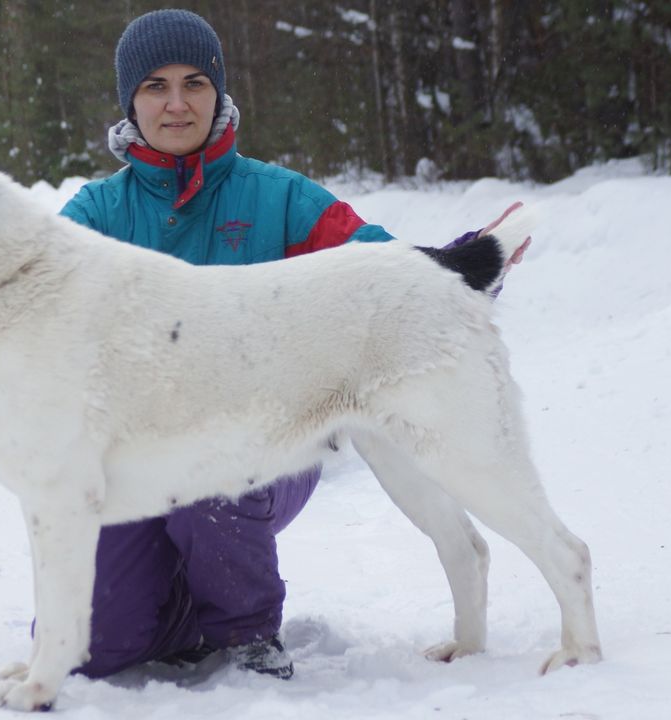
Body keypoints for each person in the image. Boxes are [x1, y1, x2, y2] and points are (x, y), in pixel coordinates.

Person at [50, 9, 481, 681]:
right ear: (130, 102)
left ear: (218, 93)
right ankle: (186, 593)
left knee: (205, 464)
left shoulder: (277, 197)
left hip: (267, 449)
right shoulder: (97, 214)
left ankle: (246, 630)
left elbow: (373, 264)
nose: (176, 102)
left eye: (195, 83)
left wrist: (453, 270)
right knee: (94, 645)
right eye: (155, 86)